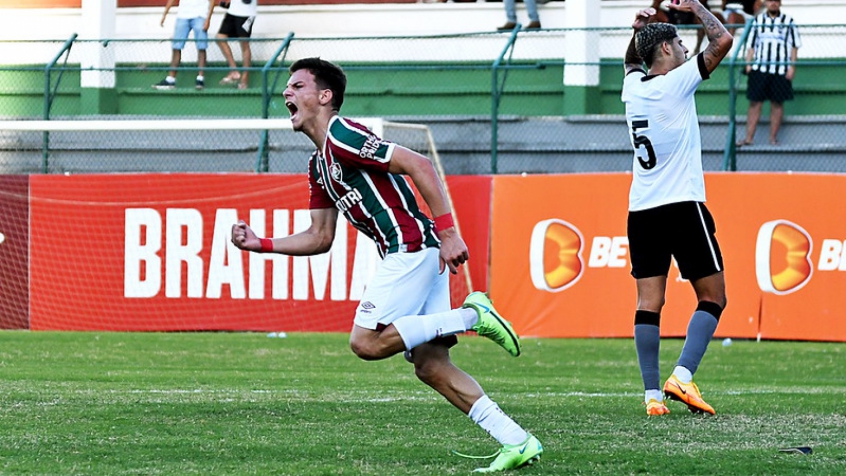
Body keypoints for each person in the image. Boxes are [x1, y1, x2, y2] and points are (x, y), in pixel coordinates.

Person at [230, 57, 543, 472]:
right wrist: (262, 244)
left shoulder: (342, 134)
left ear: (325, 97)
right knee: (431, 366)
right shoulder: (319, 165)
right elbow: (320, 237)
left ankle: (472, 314)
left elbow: (420, 164)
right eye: (288, 87)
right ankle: (516, 440)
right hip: (414, 252)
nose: (288, 92)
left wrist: (450, 233)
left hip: (410, 247)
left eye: (298, 85)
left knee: (366, 342)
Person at [621, 1, 732, 417]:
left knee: (648, 302)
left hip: (642, 211)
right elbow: (723, 40)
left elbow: (633, 60)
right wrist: (699, 7)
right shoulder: (677, 83)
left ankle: (651, 396)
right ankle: (682, 377)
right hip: (681, 206)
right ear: (666, 50)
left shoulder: (633, 89)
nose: (686, 47)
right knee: (714, 296)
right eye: (680, 42)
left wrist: (638, 31)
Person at [736, 0, 801, 146]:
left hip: (780, 69)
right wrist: (748, 64)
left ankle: (772, 139)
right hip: (760, 68)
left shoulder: (788, 21)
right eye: (771, 0)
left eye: (776, 1)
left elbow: (795, 46)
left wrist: (792, 67)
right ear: (766, 3)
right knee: (754, 103)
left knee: (777, 104)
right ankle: (749, 138)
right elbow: (751, 44)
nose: (773, 3)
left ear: (780, 3)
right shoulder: (758, 21)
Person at [153, 0, 216, 90]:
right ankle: (171, 79)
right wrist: (164, 14)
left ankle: (200, 78)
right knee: (176, 47)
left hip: (200, 15)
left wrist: (208, 19)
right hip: (183, 15)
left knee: (201, 47)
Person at [216, 0, 258, 89]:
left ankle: (245, 78)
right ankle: (234, 70)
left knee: (244, 43)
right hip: (233, 11)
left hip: (246, 13)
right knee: (220, 37)